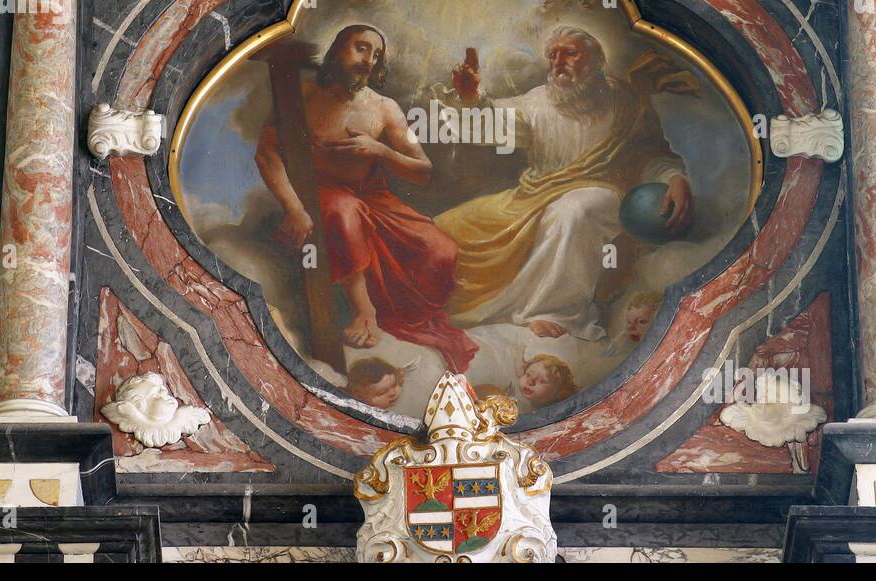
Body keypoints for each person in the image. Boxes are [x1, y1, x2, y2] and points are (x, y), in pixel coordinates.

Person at [437, 25, 692, 342]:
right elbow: (494, 124)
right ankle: (454, 305)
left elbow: (651, 156)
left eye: (570, 52)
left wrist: (675, 178)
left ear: (597, 61)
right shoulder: (538, 102)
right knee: (449, 226)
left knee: (573, 211)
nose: (558, 61)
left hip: (605, 192)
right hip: (535, 194)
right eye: (552, 54)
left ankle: (555, 311)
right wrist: (473, 99)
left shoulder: (626, 102)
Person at [255, 24, 477, 372]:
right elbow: (268, 155)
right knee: (346, 211)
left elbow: (423, 171)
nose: (368, 61)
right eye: (361, 48)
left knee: (441, 249)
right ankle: (364, 312)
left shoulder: (384, 108)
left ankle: (405, 319)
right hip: (320, 193)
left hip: (374, 197)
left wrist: (380, 151)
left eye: (376, 55)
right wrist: (294, 208)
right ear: (336, 51)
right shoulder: (301, 96)